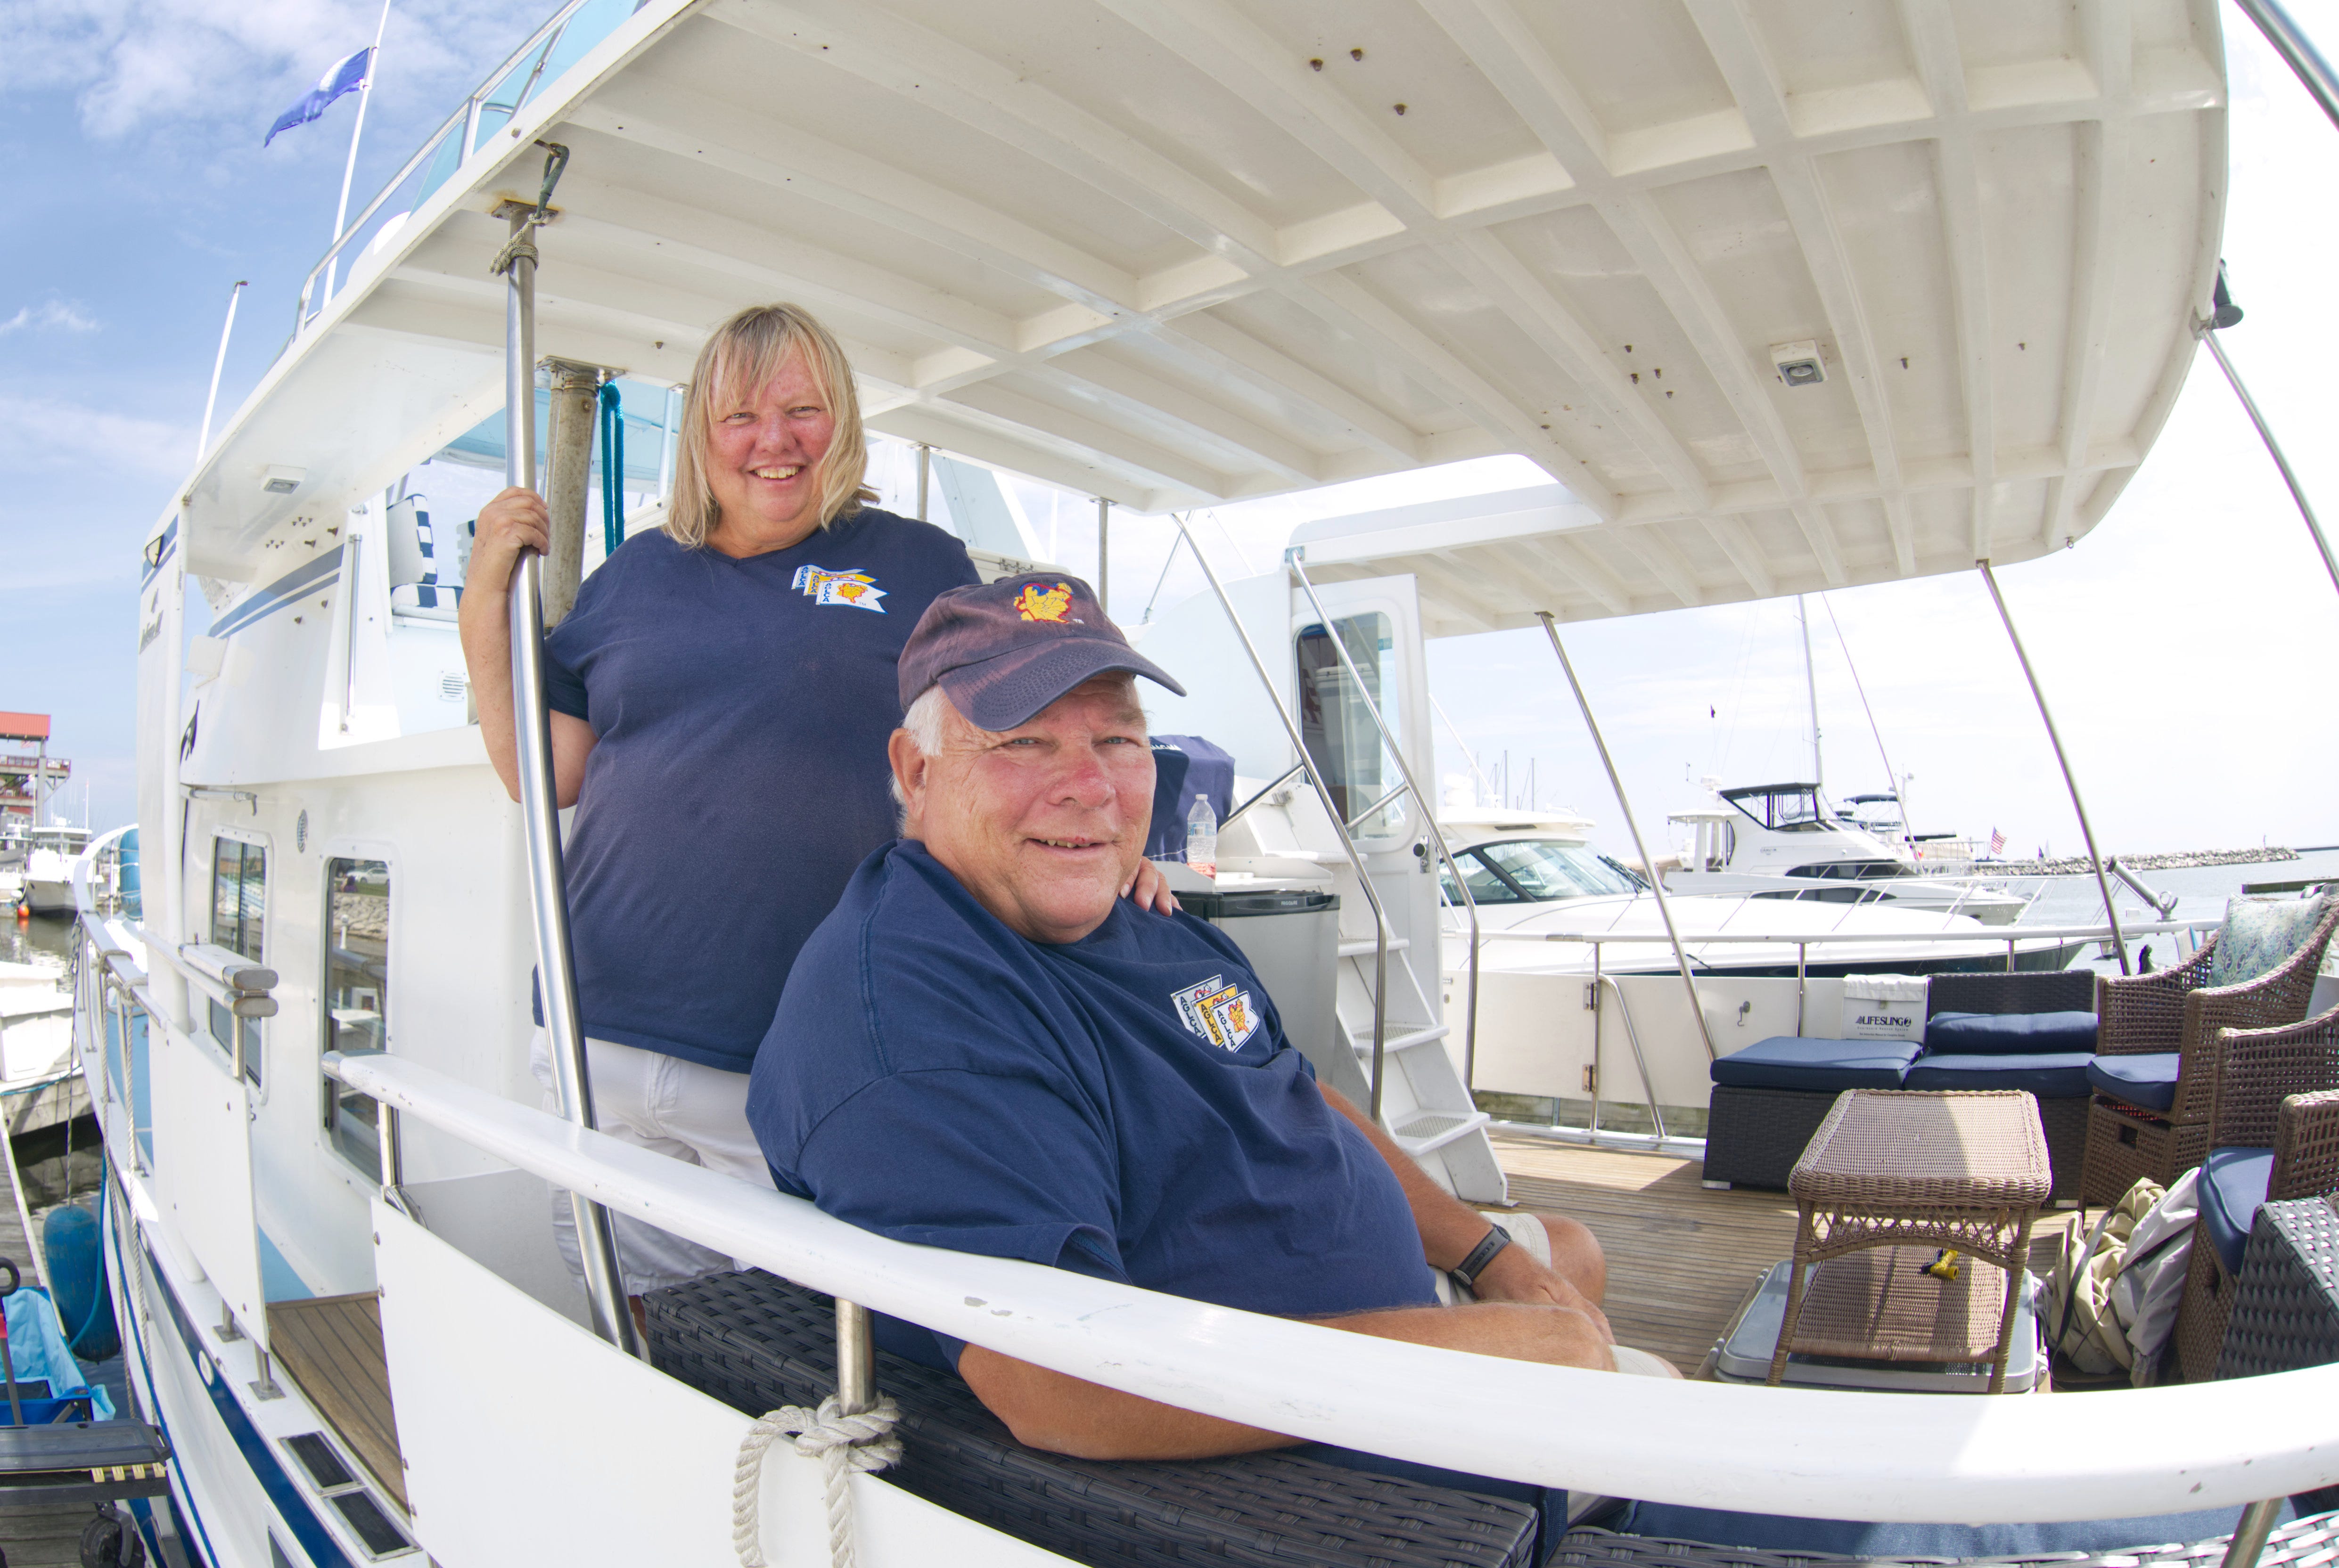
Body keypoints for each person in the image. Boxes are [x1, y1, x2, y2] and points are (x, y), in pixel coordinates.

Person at [748, 572, 1669, 1555]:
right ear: (917, 770)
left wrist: (1484, 1254)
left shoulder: (1136, 916)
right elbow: (1063, 1385)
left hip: (1378, 1312)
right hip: (1310, 1430)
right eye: (1023, 740)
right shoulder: (922, 1012)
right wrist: (1467, 1357)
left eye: (1118, 738)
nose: (1091, 783)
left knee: (1569, 1254)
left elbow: (1294, 1092)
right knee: (1672, 1415)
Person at [458, 305, 1172, 1296]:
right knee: (635, 1316)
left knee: (803, 1333)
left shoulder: (919, 563)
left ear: (843, 422)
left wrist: (1101, 843)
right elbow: (545, 772)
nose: (775, 441)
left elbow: (1015, 731)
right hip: (599, 1031)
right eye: (740, 415)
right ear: (699, 437)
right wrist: (481, 599)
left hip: (797, 1046)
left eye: (804, 409)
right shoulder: (633, 575)